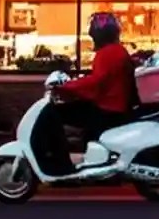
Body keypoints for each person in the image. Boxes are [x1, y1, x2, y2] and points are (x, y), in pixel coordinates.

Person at [48, 13, 138, 171]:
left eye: (94, 34)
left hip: (108, 108)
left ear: (100, 34)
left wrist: (68, 86)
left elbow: (97, 81)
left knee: (54, 114)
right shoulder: (116, 50)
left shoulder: (107, 53)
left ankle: (60, 162)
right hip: (112, 104)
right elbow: (100, 81)